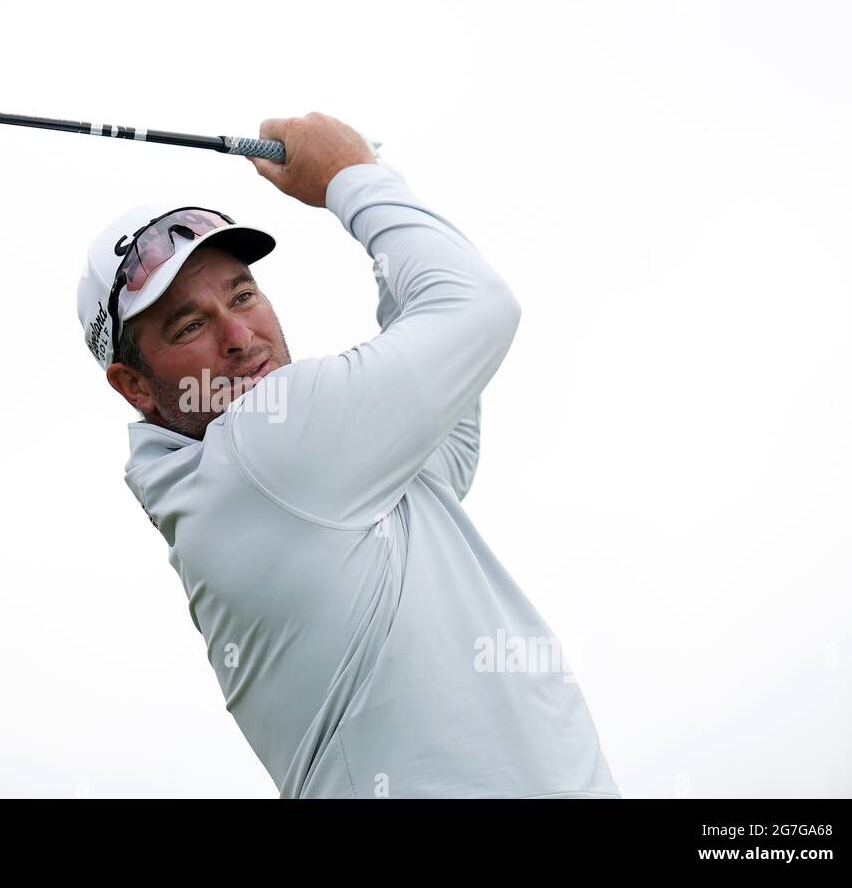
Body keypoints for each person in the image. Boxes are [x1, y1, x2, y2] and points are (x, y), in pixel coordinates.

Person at [75, 113, 621, 799]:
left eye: (243, 293)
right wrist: (350, 178)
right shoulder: (262, 446)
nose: (239, 335)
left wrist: (375, 173)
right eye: (190, 325)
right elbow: (475, 305)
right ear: (134, 387)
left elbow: (446, 434)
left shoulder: (294, 474)